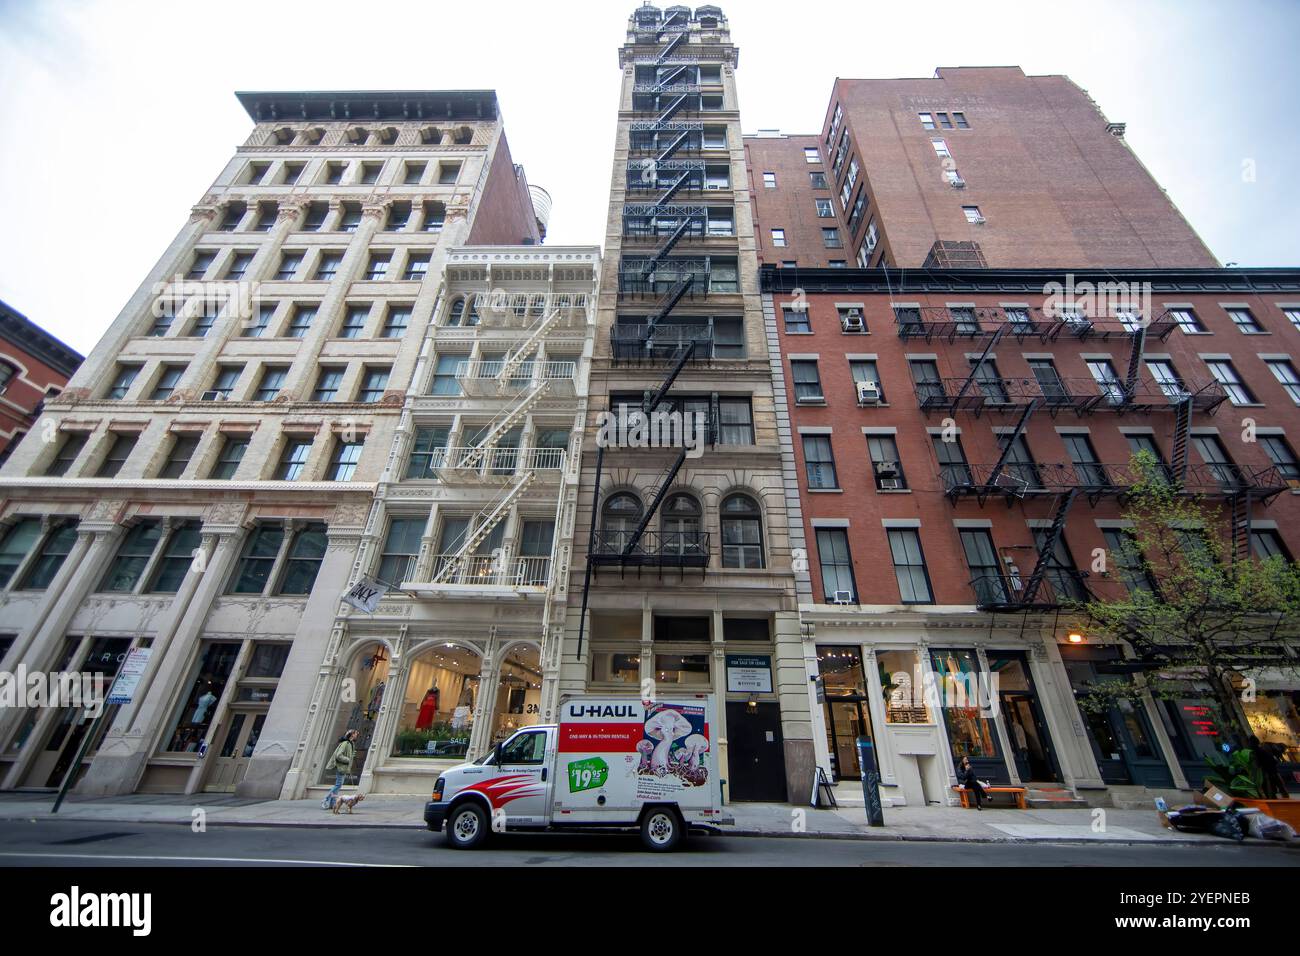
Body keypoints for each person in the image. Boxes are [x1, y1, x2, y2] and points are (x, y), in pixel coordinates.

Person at [322, 730, 359, 811]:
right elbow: (339, 755)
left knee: (338, 785)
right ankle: (326, 799)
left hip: (343, 768)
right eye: (356, 734)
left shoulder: (351, 744)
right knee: (338, 784)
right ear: (352, 735)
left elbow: (348, 754)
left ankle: (332, 803)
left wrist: (352, 754)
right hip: (341, 767)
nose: (357, 735)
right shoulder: (346, 743)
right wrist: (348, 759)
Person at [1249, 734, 1289, 800]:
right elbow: (1273, 760)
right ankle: (1282, 796)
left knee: (1270, 784)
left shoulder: (1258, 751)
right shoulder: (1262, 750)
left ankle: (1273, 798)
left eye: (1250, 743)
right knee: (1277, 783)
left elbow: (1260, 762)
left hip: (1268, 770)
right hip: (1271, 769)